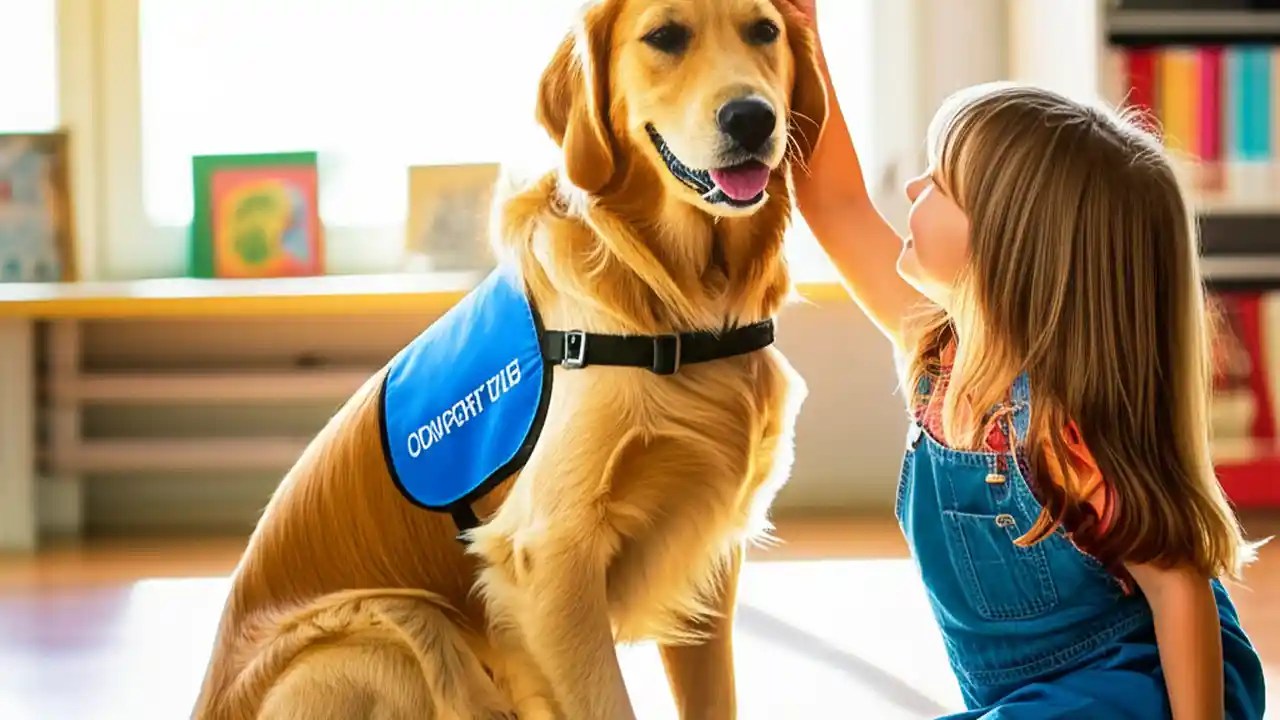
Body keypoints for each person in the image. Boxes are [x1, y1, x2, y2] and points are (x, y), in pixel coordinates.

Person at [782, 1, 1269, 718]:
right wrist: (802, 41)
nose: (913, 189)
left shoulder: (1062, 425)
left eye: (938, 183)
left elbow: (1178, 588)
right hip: (1028, 701)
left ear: (1010, 249)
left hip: (1143, 684)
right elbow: (835, 204)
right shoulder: (934, 355)